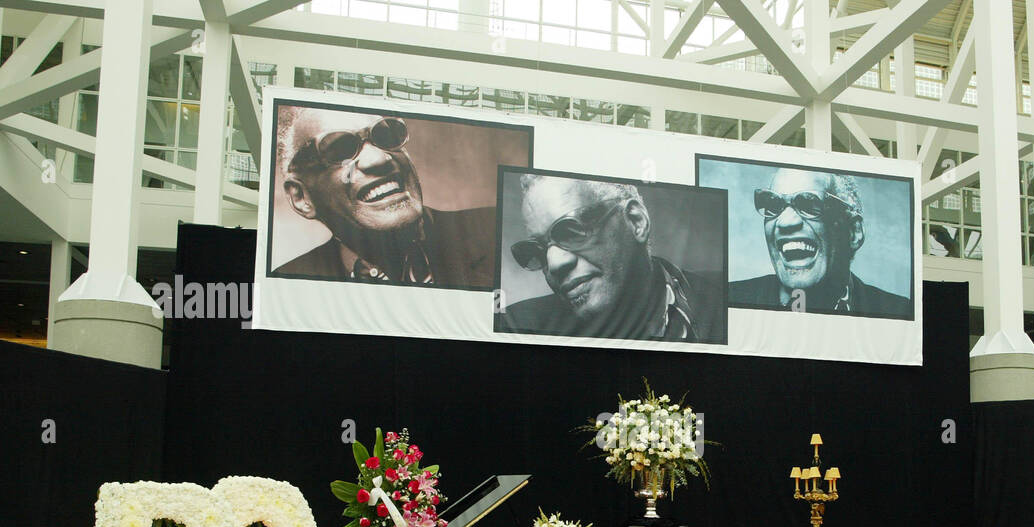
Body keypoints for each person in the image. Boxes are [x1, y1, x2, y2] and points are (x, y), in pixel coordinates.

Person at [272, 107, 496, 287]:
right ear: (302, 198)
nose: (379, 159)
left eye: (386, 135)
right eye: (340, 149)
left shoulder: (499, 235)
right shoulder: (286, 284)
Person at [497, 174, 725, 344]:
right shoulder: (520, 329)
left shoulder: (721, 303)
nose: (555, 264)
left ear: (636, 221)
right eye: (537, 251)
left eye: (570, 232)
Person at [729, 167, 912, 319]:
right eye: (773, 204)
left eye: (809, 204)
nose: (785, 222)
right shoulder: (727, 300)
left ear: (853, 232)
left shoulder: (898, 312)